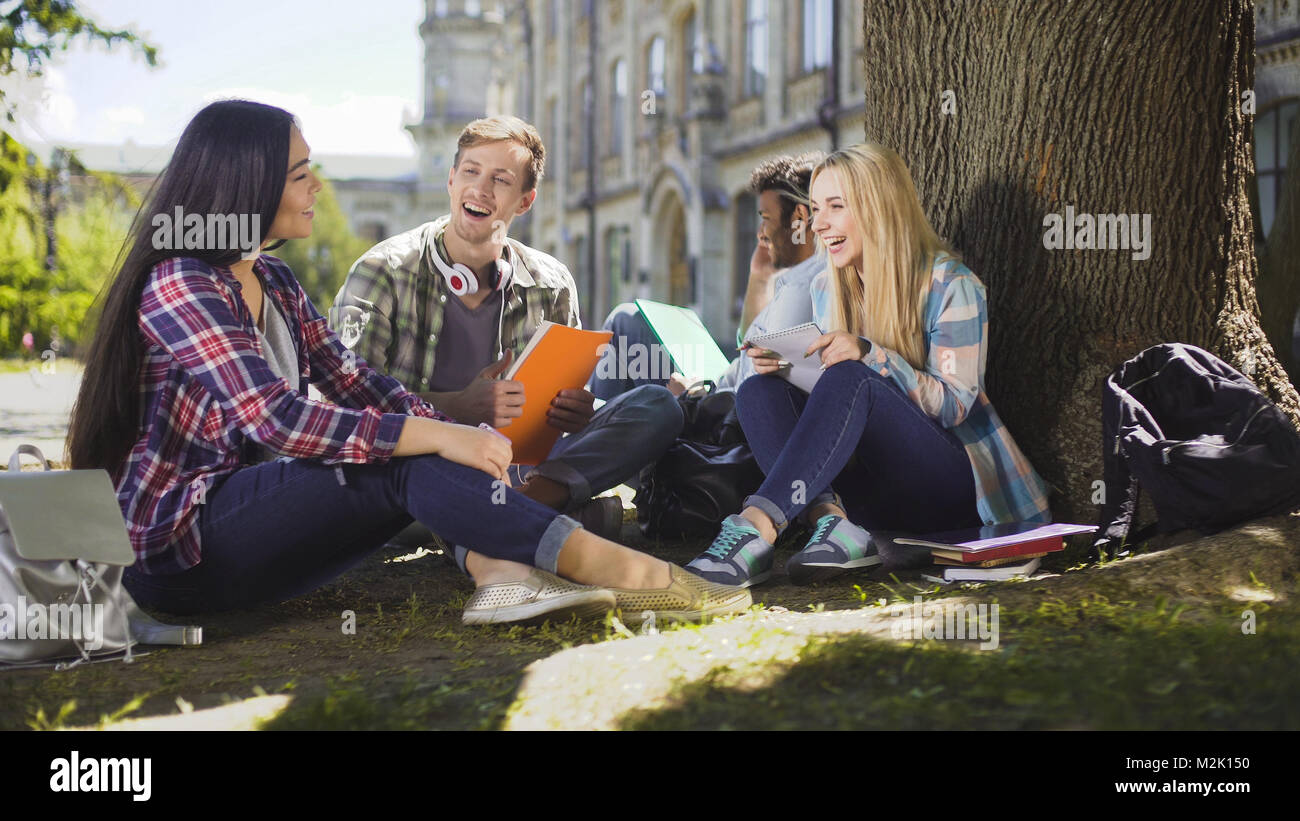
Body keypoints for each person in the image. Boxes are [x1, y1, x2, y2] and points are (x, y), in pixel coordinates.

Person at [63, 100, 750, 627]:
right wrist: (449, 429)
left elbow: (363, 386)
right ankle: (620, 572)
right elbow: (276, 419)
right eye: (302, 174)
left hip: (265, 534)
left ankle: (510, 565)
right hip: (184, 554)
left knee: (414, 447)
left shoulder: (274, 281)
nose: (318, 189)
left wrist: (471, 446)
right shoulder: (182, 281)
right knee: (405, 456)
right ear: (250, 185)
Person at [685, 143, 1051, 588]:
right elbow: (836, 406)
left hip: (953, 490)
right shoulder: (827, 287)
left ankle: (755, 527)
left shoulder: (951, 285)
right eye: (816, 208)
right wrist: (788, 368)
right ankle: (833, 524)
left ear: (878, 208)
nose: (819, 224)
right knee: (758, 390)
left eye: (835, 208)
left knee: (852, 375)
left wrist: (871, 355)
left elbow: (955, 405)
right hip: (873, 500)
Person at [329, 115, 682, 576]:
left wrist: (577, 411)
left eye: (501, 180)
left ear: (525, 200)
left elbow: (563, 405)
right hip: (420, 469)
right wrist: (457, 407)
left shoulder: (553, 282)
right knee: (396, 483)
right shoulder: (382, 270)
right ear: (451, 179)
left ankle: (522, 509)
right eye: (471, 172)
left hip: (523, 468)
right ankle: (532, 521)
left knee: (658, 407)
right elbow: (342, 411)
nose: (480, 189)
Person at [590, 153, 826, 400]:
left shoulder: (803, 290)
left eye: (766, 219)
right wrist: (759, 277)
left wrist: (696, 397)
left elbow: (756, 392)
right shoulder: (797, 281)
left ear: (799, 218)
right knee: (627, 329)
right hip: (717, 387)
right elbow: (748, 349)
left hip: (716, 413)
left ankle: (589, 431)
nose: (760, 233)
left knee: (624, 322)